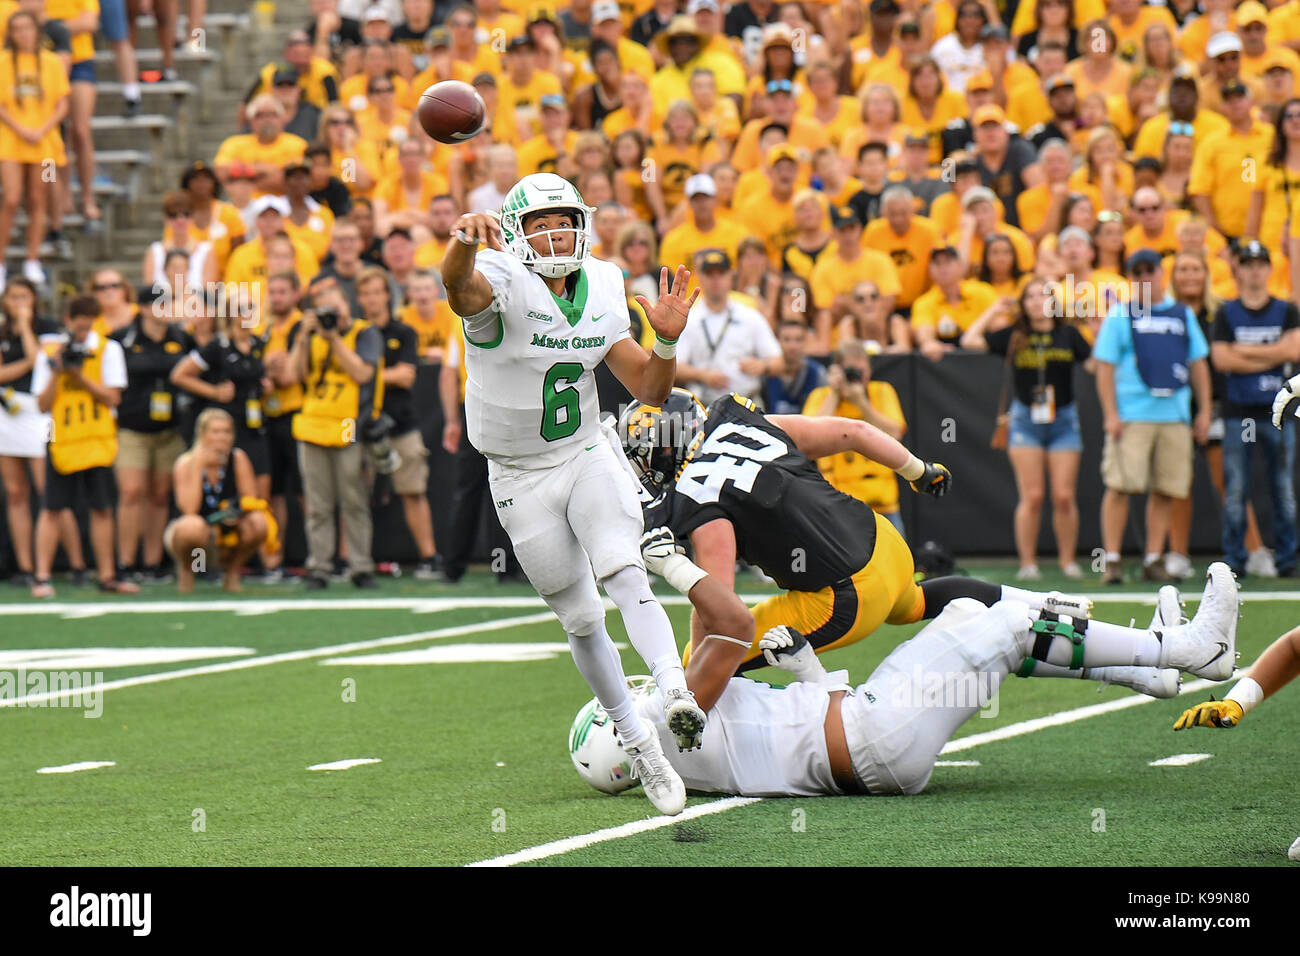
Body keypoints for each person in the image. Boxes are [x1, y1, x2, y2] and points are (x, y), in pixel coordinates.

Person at [441, 171, 707, 817]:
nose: (555, 232)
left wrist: (666, 340)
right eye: (539, 223)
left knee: (623, 565)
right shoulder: (499, 278)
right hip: (515, 471)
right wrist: (461, 244)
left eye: (564, 219)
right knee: (582, 617)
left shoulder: (606, 283)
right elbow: (458, 285)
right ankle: (637, 741)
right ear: (515, 234)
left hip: (584, 447)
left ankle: (675, 688)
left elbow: (647, 390)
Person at [571, 569, 1237, 799]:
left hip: (866, 743)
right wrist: (676, 564)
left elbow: (784, 735)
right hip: (870, 734)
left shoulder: (684, 753)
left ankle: (1143, 670)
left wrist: (807, 671)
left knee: (974, 619)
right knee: (1003, 625)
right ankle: (1188, 649)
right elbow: (726, 620)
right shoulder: (663, 720)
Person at [1093, 249, 1212, 585]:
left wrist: (1203, 410)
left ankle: (1153, 558)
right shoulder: (1120, 314)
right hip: (1133, 413)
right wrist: (1111, 414)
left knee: (1165, 489)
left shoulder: (1182, 314)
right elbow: (1104, 367)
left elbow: (1198, 363)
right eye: (1137, 272)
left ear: (1162, 273)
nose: (1144, 277)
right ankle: (1112, 559)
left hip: (1173, 413)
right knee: (1119, 485)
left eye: (1150, 270)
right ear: (1131, 278)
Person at [962, 278, 1092, 580]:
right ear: (1023, 304)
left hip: (1064, 418)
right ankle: (1028, 563)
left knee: (1062, 495)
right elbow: (969, 339)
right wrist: (994, 309)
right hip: (1024, 419)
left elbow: (1095, 363)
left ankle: (1067, 561)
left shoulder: (1069, 333)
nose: (1036, 301)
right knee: (1032, 496)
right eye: (1030, 296)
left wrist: (1096, 325)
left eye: (1043, 295)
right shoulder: (1015, 335)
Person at [29, 295, 138, 598]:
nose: (81, 331)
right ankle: (41, 577)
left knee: (102, 508)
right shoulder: (51, 353)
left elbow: (113, 398)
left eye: (87, 325)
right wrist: (57, 371)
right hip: (60, 436)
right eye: (77, 325)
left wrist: (79, 375)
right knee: (52, 507)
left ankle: (107, 575)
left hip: (96, 437)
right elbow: (42, 404)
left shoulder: (108, 349)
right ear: (68, 322)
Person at [1209, 241, 1300, 576]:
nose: (1254, 270)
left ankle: (1288, 561)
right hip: (1239, 413)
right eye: (1248, 264)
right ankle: (1235, 561)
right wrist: (1271, 351)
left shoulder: (1286, 310)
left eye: (1260, 263)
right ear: (1239, 269)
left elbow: (1293, 351)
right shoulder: (1226, 311)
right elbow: (1221, 359)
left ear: (1268, 268)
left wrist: (1244, 352)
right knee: (1236, 489)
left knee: (1283, 489)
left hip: (1279, 412)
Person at [287, 276, 383, 589]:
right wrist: (304, 336)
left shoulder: (364, 333)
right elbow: (294, 375)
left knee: (354, 501)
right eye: (324, 308)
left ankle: (360, 566)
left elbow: (362, 373)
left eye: (336, 305)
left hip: (347, 425)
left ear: (347, 304)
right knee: (318, 505)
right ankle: (319, 567)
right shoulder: (309, 334)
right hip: (313, 425)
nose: (332, 313)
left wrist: (333, 338)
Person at [354, 266, 441, 578]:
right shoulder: (354, 332)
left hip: (400, 421)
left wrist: (366, 376)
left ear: (386, 295)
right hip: (361, 424)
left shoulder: (404, 331)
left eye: (377, 292)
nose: (371, 298)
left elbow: (406, 376)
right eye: (365, 293)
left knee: (413, 490)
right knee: (354, 495)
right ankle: (352, 561)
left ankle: (429, 557)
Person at [110, 291, 192, 583]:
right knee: (132, 492)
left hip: (169, 429)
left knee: (159, 496)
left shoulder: (181, 337)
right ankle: (126, 561)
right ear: (143, 308)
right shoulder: (122, 338)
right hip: (132, 427)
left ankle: (153, 562)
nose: (166, 309)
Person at [803, 340, 908, 539]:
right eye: (852, 371)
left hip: (882, 499)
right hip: (839, 500)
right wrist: (835, 392)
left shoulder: (881, 391)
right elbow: (810, 437)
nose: (859, 377)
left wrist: (861, 402)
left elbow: (895, 434)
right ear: (838, 370)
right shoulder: (821, 395)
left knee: (896, 564)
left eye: (863, 370)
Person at [165, 408, 271, 593]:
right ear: (202, 434)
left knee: (258, 522)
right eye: (215, 432)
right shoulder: (186, 462)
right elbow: (189, 508)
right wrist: (198, 466)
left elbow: (250, 501)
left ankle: (232, 572)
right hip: (195, 537)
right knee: (192, 527)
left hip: (227, 531)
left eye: (227, 432)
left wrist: (235, 513)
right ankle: (190, 571)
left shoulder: (237, 459)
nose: (222, 437)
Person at [0, 8, 69, 287]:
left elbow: (62, 103)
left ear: (36, 31)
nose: (23, 34)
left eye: (27, 28)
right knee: (12, 198)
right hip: (10, 140)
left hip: (45, 142)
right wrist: (22, 129)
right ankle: (1, 262)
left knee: (38, 199)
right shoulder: (3, 62)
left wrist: (41, 129)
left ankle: (32, 259)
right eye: (17, 29)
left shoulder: (51, 61)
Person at [0, 277, 56, 585]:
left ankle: (46, 563)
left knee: (45, 489)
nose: (19, 302)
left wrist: (24, 327)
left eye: (25, 296)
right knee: (15, 493)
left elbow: (40, 361)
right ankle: (24, 565)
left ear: (35, 298)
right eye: (13, 297)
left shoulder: (47, 326)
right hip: (8, 412)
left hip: (41, 411)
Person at [673, 248, 781, 407]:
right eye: (710, 274)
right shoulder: (689, 318)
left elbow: (778, 361)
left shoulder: (750, 315)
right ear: (701, 278)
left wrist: (762, 366)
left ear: (731, 276)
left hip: (747, 402)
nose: (716, 280)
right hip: (704, 403)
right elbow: (674, 366)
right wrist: (702, 375)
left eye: (721, 273)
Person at [762, 319, 825, 414]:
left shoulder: (818, 374)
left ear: (806, 342)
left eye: (798, 339)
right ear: (777, 341)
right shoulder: (766, 372)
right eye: (786, 339)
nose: (792, 346)